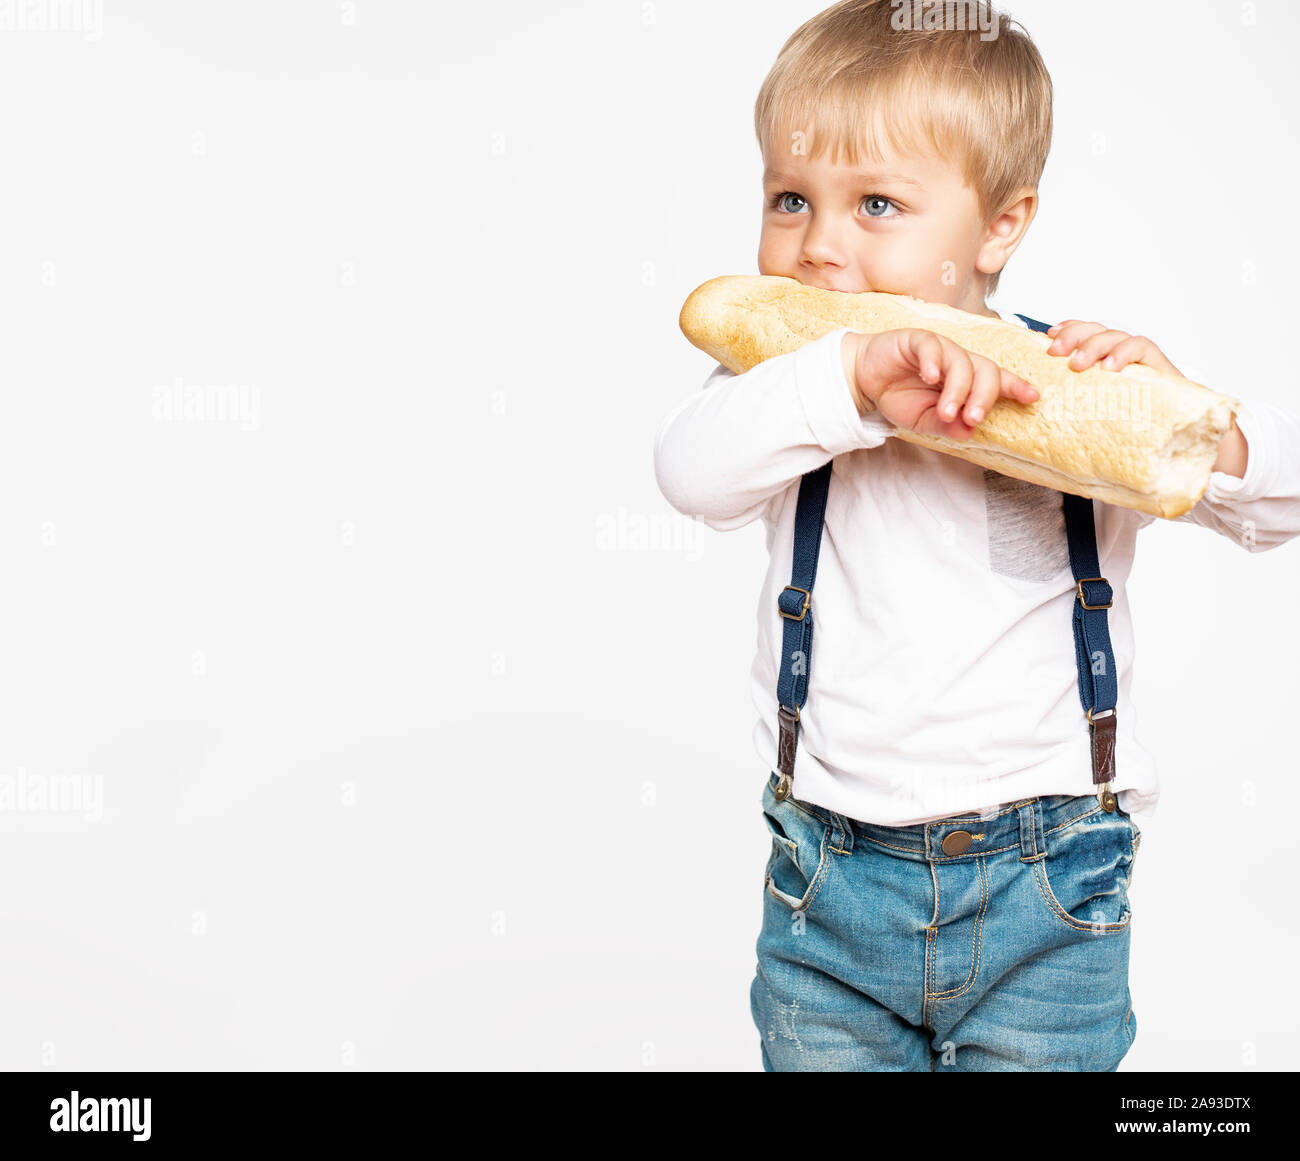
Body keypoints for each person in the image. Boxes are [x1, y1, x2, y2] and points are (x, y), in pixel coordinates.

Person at [652, 0, 1300, 1071]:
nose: (818, 245)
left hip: (1046, 882)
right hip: (829, 879)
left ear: (998, 226)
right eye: (788, 198)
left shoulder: (1085, 391)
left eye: (875, 204)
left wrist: (1190, 413)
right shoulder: (786, 391)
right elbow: (688, 473)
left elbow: (1280, 506)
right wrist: (847, 384)